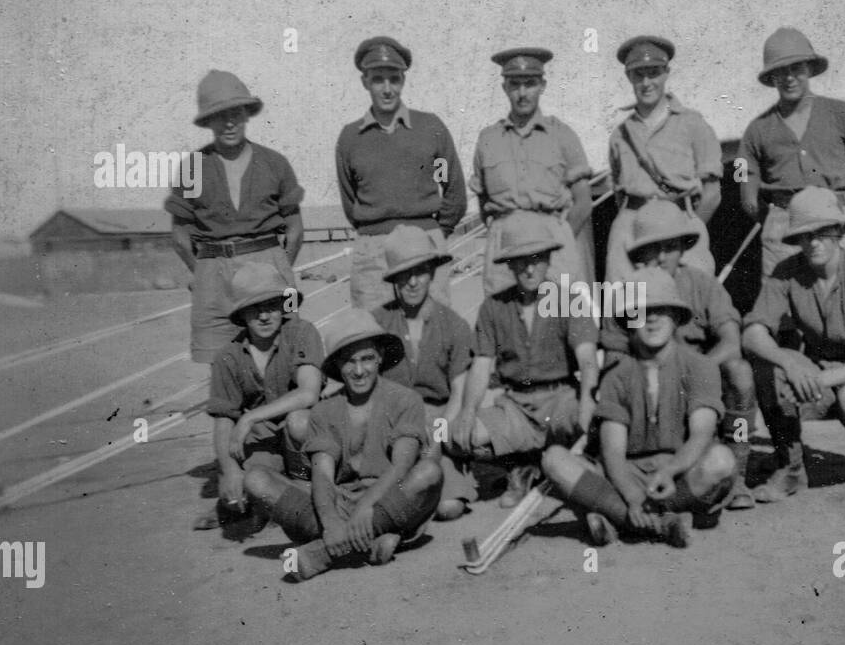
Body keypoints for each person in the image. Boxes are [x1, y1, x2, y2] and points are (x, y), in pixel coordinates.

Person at [245, 309, 444, 581]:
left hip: (388, 499)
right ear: (337, 365)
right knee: (256, 479)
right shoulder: (325, 410)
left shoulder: (405, 400)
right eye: (350, 362)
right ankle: (369, 540)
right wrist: (330, 523)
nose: (359, 371)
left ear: (380, 358)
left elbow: (402, 465)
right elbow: (322, 474)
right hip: (339, 501)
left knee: (429, 472)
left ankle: (325, 552)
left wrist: (367, 507)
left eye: (367, 359)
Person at [544, 268, 737, 547]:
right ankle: (660, 521)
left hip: (681, 468)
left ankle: (624, 520)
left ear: (675, 318)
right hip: (627, 472)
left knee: (721, 460)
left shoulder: (700, 366)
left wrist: (670, 471)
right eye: (641, 311)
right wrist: (633, 496)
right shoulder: (617, 375)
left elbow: (700, 435)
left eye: (662, 310)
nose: (653, 318)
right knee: (554, 459)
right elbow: (613, 451)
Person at [741, 188, 845, 499]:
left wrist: (821, 379)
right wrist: (789, 361)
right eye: (805, 235)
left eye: (823, 232)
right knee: (766, 366)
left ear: (840, 231)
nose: (814, 242)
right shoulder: (786, 273)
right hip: (820, 368)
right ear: (796, 239)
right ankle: (790, 467)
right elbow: (752, 332)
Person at [600, 200, 757, 508]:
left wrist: (693, 374)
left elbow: (731, 342)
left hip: (702, 387)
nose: (660, 257)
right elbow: (614, 359)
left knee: (740, 372)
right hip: (645, 389)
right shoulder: (625, 293)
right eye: (651, 248)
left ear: (683, 248)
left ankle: (737, 475)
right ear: (638, 254)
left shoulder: (702, 285)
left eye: (669, 247)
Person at [448, 216, 599, 507]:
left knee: (596, 423)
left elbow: (587, 358)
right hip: (516, 404)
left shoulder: (569, 299)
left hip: (561, 399)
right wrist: (467, 411)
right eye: (520, 260)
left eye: (537, 258)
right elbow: (481, 364)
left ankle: (563, 467)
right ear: (509, 264)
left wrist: (588, 401)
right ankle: (522, 466)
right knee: (460, 438)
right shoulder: (494, 307)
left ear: (548, 259)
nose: (529, 268)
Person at [166, 70, 304, 363]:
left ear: (246, 115)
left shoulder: (275, 163)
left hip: (269, 264)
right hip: (213, 275)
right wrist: (203, 273)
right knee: (216, 363)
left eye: (236, 113)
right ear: (208, 121)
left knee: (287, 346)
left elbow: (295, 228)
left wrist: (281, 270)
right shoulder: (193, 167)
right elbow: (180, 236)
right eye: (219, 116)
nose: (229, 123)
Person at [736, 27, 845, 277]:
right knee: (782, 308)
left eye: (796, 68)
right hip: (784, 231)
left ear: (810, 69)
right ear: (771, 78)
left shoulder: (843, 114)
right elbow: (747, 196)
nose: (789, 77)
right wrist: (776, 221)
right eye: (780, 71)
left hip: (836, 224)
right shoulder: (756, 130)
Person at [335, 36, 467, 309]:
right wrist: (376, 233)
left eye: (393, 79)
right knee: (374, 333)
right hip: (373, 252)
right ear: (364, 82)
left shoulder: (430, 129)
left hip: (426, 244)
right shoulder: (351, 138)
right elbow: (351, 200)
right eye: (377, 79)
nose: (386, 89)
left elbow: (451, 187)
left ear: (403, 81)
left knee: (433, 331)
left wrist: (433, 233)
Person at [198, 261, 323, 532]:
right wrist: (230, 471)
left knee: (299, 421)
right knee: (244, 485)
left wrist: (250, 417)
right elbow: (223, 420)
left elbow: (309, 393)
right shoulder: (228, 357)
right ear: (241, 315)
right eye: (254, 309)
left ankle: (304, 494)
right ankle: (279, 501)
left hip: (302, 438)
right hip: (263, 441)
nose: (264, 316)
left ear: (283, 305)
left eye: (270, 305)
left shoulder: (301, 332)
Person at [472, 47, 596, 296]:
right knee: (506, 322)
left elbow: (583, 202)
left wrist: (560, 238)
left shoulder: (562, 135)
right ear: (504, 88)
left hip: (554, 247)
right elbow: (483, 198)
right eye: (515, 85)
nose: (522, 93)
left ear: (542, 86)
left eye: (529, 84)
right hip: (504, 248)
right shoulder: (488, 139)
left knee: (560, 319)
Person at [374, 225, 477, 521]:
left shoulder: (453, 324)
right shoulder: (379, 322)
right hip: (392, 424)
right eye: (403, 275)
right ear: (394, 279)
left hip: (438, 421)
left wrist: (440, 434)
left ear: (432, 272)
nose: (412, 282)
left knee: (449, 507)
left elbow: (459, 390)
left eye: (419, 272)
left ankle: (408, 508)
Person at [604, 35, 723, 284]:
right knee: (624, 301)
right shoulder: (620, 135)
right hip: (632, 226)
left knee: (695, 294)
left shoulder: (693, 124)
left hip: (680, 222)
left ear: (666, 73)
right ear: (628, 77)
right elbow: (618, 194)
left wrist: (688, 228)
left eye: (654, 73)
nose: (647, 82)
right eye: (639, 74)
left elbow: (712, 193)